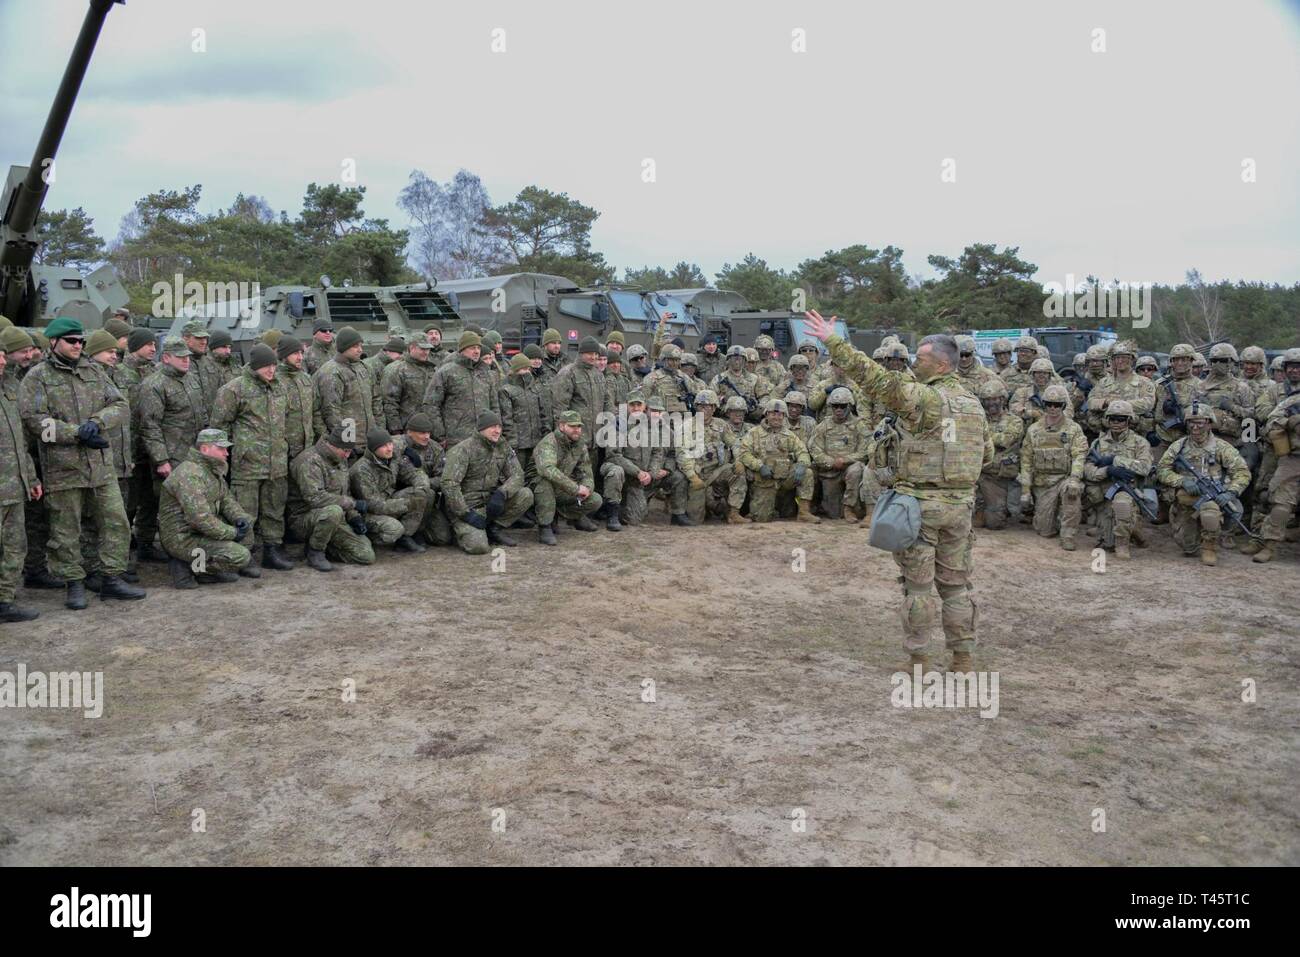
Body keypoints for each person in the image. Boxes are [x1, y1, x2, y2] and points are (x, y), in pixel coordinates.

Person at [803, 311, 991, 673]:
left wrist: (832, 341)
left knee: (918, 588)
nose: (913, 364)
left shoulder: (925, 399)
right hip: (960, 507)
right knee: (955, 587)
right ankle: (962, 658)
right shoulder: (973, 405)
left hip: (920, 506)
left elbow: (875, 379)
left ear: (939, 364)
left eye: (919, 359)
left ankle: (919, 659)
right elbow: (988, 451)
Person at [18, 317, 145, 608]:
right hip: (62, 468)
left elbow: (120, 405)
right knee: (66, 530)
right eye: (71, 341)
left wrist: (96, 423)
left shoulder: (94, 372)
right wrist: (75, 433)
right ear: (54, 342)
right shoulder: (37, 377)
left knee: (116, 522)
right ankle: (74, 583)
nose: (78, 345)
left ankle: (111, 578)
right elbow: (33, 420)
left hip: (100, 465)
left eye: (80, 341)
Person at [208, 344, 295, 575]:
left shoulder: (280, 387)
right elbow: (219, 427)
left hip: (276, 463)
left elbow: (285, 420)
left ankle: (271, 551)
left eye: (274, 365)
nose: (271, 370)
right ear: (255, 366)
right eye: (267, 365)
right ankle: (244, 556)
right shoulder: (234, 389)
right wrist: (222, 460)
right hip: (247, 463)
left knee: (274, 510)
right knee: (245, 511)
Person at [137, 336, 208, 564]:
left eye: (187, 357)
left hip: (194, 455)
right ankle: (178, 559)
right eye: (181, 357)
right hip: (172, 458)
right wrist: (161, 460)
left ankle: (193, 556)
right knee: (173, 511)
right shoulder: (154, 385)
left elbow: (201, 414)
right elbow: (150, 426)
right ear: (166, 358)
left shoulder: (191, 379)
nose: (186, 361)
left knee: (195, 507)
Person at [1155, 402, 1250, 566]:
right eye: (1191, 422)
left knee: (1210, 511)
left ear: (1209, 423)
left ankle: (1209, 547)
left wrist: (1231, 492)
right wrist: (1182, 480)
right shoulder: (1179, 446)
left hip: (1214, 497)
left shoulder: (1221, 447)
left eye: (1200, 422)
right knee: (1189, 547)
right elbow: (1162, 470)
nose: (1195, 427)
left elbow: (1242, 472)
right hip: (1187, 500)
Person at [159, 428, 254, 588]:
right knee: (240, 556)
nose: (226, 453)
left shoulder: (211, 470)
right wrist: (232, 533)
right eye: (221, 448)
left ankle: (202, 569)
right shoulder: (190, 474)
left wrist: (239, 518)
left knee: (248, 529)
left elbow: (226, 500)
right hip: (182, 537)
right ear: (205, 449)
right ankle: (187, 565)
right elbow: (199, 519)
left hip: (200, 531)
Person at [441, 411, 533, 552]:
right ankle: (459, 530)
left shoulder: (503, 447)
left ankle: (493, 529)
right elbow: (449, 485)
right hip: (467, 506)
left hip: (489, 503)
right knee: (479, 547)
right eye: (493, 427)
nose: (497, 431)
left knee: (525, 494)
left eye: (499, 427)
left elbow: (518, 475)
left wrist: (502, 493)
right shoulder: (463, 450)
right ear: (481, 428)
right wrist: (466, 514)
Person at [287, 425, 374, 571]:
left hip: (335, 518)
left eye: (349, 451)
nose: (347, 455)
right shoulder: (310, 461)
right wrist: (351, 504)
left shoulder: (340, 459)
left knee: (366, 555)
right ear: (332, 445)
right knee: (333, 511)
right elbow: (314, 497)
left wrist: (354, 517)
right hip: (304, 518)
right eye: (345, 451)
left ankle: (327, 545)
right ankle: (315, 552)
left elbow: (344, 492)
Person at [0, 335, 41, 621]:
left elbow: (20, 442)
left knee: (15, 546)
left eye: (4, 355)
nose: (3, 361)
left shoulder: (8, 390)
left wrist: (32, 478)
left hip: (14, 486)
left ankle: (4, 600)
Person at [1017, 384, 1087, 550]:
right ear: (1044, 405)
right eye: (1049, 404)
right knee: (1044, 530)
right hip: (1043, 483)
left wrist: (1075, 478)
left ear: (1064, 406)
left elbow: (1079, 455)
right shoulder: (1033, 430)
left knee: (1072, 494)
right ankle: (1053, 519)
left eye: (1058, 405)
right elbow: (1026, 461)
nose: (1053, 408)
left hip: (1064, 478)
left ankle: (1068, 535)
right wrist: (1026, 491)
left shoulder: (1073, 429)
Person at [1081, 400, 1152, 559]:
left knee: (1122, 505)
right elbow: (1087, 470)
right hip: (1104, 492)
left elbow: (1145, 468)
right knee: (1107, 544)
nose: (1116, 423)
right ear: (1107, 420)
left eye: (1121, 419)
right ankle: (1133, 529)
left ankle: (1123, 544)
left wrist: (1116, 460)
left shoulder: (1139, 442)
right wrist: (1107, 470)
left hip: (1127, 489)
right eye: (1113, 419)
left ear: (1129, 421)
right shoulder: (1098, 443)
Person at [1249, 348, 1300, 563]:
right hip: (1292, 458)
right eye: (1292, 367)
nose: (1295, 370)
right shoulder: (1288, 399)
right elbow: (1270, 420)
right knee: (1279, 502)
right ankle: (1268, 544)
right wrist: (1292, 420)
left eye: (1299, 367)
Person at [349, 427, 430, 554]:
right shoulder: (361, 470)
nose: (390, 448)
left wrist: (422, 486)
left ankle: (405, 538)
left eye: (390, 443)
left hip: (389, 500)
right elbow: (373, 505)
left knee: (423, 493)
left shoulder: (391, 457)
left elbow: (412, 473)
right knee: (394, 529)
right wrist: (406, 504)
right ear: (374, 449)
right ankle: (368, 538)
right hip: (370, 513)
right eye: (384, 446)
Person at [739, 398, 817, 523]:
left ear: (784, 416)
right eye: (773, 413)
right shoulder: (754, 433)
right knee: (761, 518)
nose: (776, 417)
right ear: (767, 414)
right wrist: (759, 466)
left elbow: (802, 452)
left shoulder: (789, 435)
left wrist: (802, 464)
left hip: (785, 479)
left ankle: (804, 512)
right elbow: (743, 453)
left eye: (780, 414)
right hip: (765, 481)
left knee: (807, 473)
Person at [532, 410, 603, 544]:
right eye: (572, 426)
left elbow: (586, 471)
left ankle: (573, 517)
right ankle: (545, 526)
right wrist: (575, 488)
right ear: (561, 426)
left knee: (595, 499)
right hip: (538, 486)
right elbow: (547, 470)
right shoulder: (549, 442)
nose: (576, 430)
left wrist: (587, 488)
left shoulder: (580, 445)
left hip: (563, 487)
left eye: (579, 426)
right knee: (545, 484)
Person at [677, 390, 747, 525]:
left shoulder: (721, 425)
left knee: (738, 473)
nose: (704, 410)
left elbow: (735, 443)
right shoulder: (686, 427)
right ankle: (712, 506)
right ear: (696, 407)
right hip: (698, 475)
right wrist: (692, 476)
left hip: (717, 471)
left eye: (708, 406)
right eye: (701, 406)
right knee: (695, 520)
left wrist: (738, 460)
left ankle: (734, 513)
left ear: (714, 408)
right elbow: (682, 455)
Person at [423, 331, 498, 448]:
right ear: (463, 349)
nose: (477, 351)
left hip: (484, 438)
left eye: (478, 347)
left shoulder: (486, 373)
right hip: (456, 440)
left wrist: (495, 429)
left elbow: (494, 405)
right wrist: (440, 435)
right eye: (473, 348)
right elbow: (431, 405)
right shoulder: (446, 372)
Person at [393, 412, 452, 547]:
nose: (426, 436)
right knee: (427, 494)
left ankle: (418, 530)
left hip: (425, 499)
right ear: (409, 432)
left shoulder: (435, 448)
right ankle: (406, 536)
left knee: (443, 538)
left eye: (428, 433)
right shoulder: (395, 445)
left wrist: (424, 484)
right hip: (399, 496)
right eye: (421, 433)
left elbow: (443, 478)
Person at [809, 387, 870, 520]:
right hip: (829, 471)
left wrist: (845, 460)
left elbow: (865, 451)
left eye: (842, 406)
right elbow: (814, 449)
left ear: (849, 406)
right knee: (834, 514)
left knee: (856, 470)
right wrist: (831, 462)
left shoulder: (859, 425)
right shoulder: (823, 426)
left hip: (849, 468)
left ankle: (849, 508)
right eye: (835, 406)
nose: (838, 409)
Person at [313, 326, 382, 441]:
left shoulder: (365, 368)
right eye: (355, 346)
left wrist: (379, 432)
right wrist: (346, 441)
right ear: (344, 347)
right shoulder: (331, 372)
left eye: (360, 346)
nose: (360, 350)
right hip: (349, 444)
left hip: (371, 439)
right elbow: (332, 412)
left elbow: (376, 401)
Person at [974, 378, 1024, 530]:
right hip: (979, 473)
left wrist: (981, 436)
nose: (991, 403)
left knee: (994, 523)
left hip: (1000, 477)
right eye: (987, 400)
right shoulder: (978, 419)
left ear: (1002, 399)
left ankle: (1001, 507)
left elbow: (1005, 440)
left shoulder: (1014, 421)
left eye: (995, 399)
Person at [551, 337, 608, 450]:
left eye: (596, 354)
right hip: (575, 440)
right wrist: (563, 436)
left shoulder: (598, 375)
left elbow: (606, 401)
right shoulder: (568, 373)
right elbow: (560, 407)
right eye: (590, 354)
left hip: (596, 440)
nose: (594, 357)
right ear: (581, 353)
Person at [381, 337, 439, 433]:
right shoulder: (396, 369)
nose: (426, 352)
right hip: (407, 429)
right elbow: (389, 402)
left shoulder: (433, 369)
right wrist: (396, 430)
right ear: (412, 348)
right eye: (422, 349)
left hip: (430, 429)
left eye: (428, 349)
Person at [711, 345, 761, 422]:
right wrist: (720, 401)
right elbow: (711, 399)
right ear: (728, 360)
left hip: (749, 420)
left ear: (744, 361)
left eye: (740, 359)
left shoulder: (754, 379)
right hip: (725, 419)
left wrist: (758, 409)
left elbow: (764, 397)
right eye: (734, 359)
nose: (737, 362)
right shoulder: (719, 379)